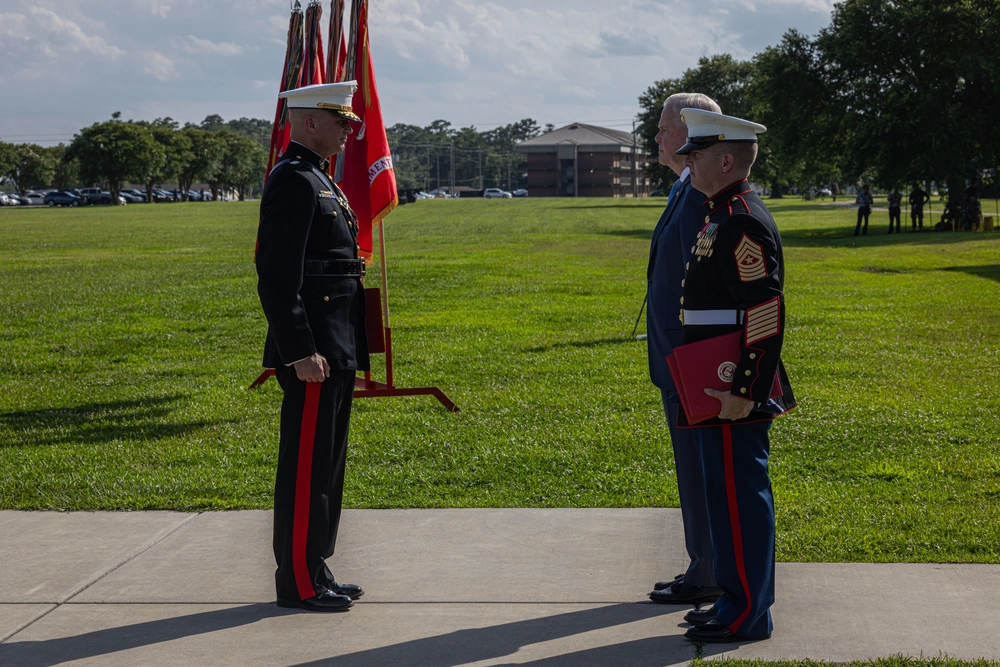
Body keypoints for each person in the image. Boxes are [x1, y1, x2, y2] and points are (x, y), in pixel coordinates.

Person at [672, 108, 797, 643]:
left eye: (697, 154)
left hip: (731, 386)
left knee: (740, 498)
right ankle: (732, 601)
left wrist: (744, 391)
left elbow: (764, 309)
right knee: (722, 496)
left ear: (726, 160)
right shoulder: (720, 211)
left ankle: (749, 613)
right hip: (713, 380)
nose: (689, 162)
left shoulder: (741, 218)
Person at [255, 81, 370, 612]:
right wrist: (299, 348)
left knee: (327, 465)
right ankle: (299, 582)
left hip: (335, 345)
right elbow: (277, 276)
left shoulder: (319, 179)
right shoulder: (293, 181)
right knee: (306, 470)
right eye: (340, 121)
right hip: (312, 353)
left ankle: (316, 565)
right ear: (308, 123)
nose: (349, 131)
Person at [645, 93, 724, 607]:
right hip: (676, 356)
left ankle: (710, 571)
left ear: (689, 131)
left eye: (663, 127)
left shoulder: (701, 195)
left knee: (703, 471)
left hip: (690, 357)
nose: (656, 137)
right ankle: (701, 565)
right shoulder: (683, 188)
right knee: (691, 471)